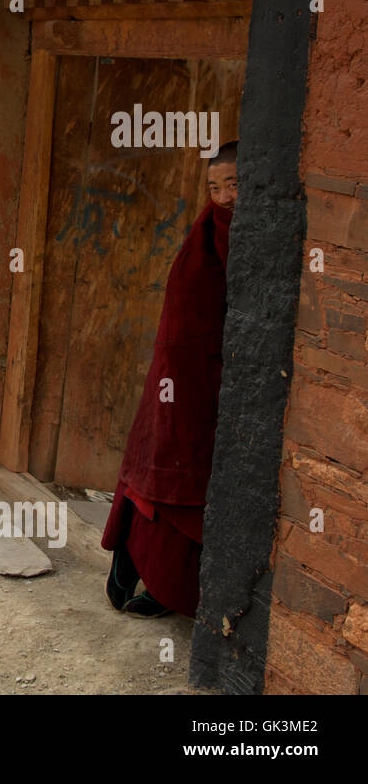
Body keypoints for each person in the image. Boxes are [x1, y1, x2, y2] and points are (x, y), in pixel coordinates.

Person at [102, 141, 238, 619]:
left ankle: (153, 575)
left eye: (234, 185)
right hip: (182, 369)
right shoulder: (214, 227)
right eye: (214, 187)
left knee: (180, 469)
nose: (223, 197)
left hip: (199, 372)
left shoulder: (230, 229)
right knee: (167, 463)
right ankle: (132, 558)